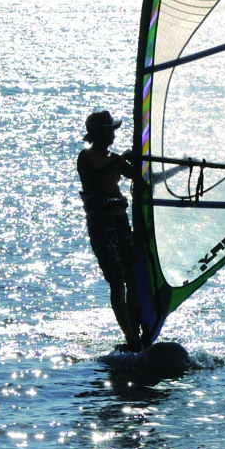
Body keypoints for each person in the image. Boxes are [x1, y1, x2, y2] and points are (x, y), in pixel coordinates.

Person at [76, 109, 145, 349]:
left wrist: (140, 163)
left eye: (114, 129)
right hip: (101, 225)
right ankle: (130, 336)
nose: (113, 134)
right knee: (117, 281)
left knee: (133, 277)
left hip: (120, 222)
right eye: (109, 130)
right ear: (97, 133)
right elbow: (96, 178)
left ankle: (137, 330)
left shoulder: (115, 158)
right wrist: (118, 161)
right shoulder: (86, 157)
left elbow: (139, 177)